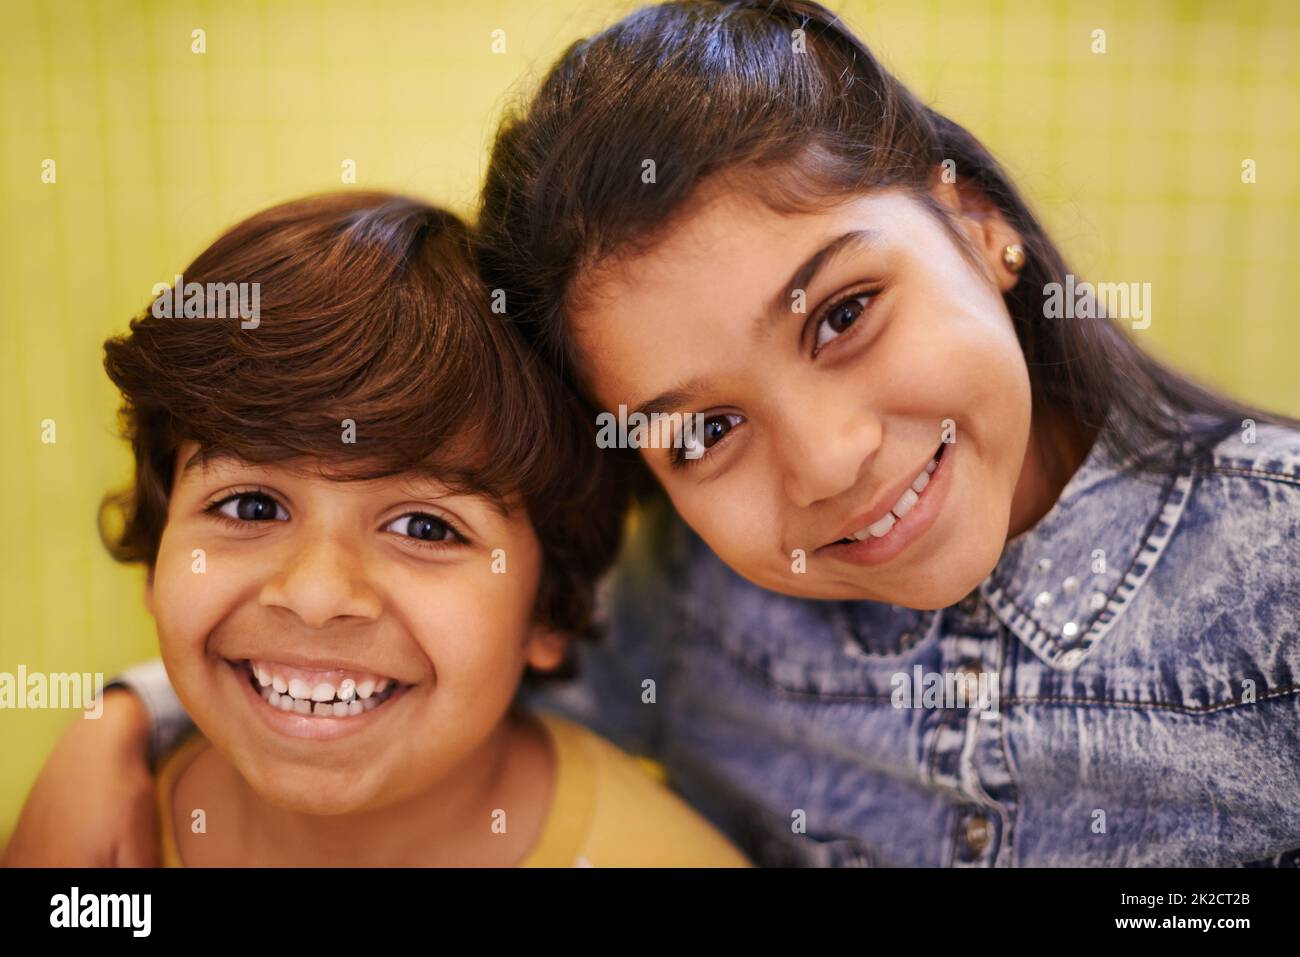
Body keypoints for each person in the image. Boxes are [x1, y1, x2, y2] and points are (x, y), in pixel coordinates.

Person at [9, 1, 1299, 867]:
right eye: (702, 433)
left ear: (973, 226)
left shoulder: (1277, 580)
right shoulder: (683, 600)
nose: (829, 459)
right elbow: (415, 636)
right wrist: (122, 719)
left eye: (843, 312)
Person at [2, 192, 750, 868]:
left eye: (425, 525)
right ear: (158, 551)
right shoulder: (73, 850)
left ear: (550, 604)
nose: (318, 594)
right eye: (252, 507)